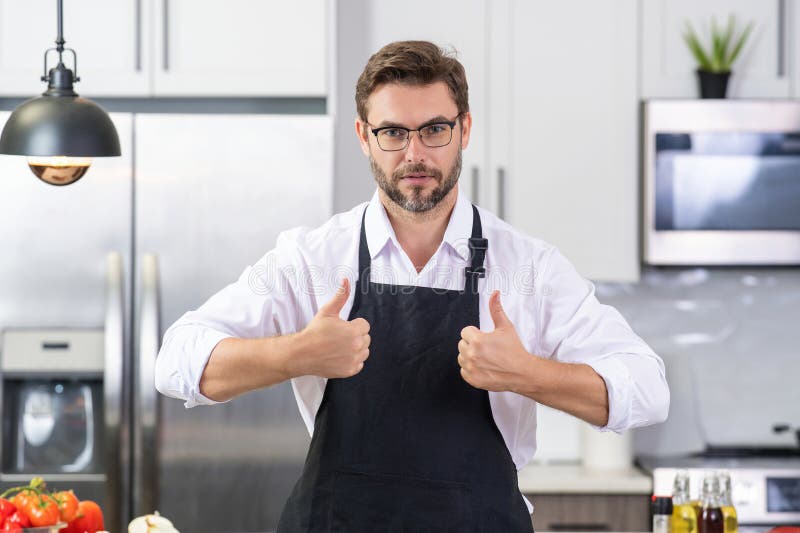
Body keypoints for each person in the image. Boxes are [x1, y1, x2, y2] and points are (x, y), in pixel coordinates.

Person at [155, 40, 669, 532]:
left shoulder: (530, 268)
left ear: (465, 129)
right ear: (364, 137)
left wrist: (526, 373)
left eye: (435, 130)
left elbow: (647, 389)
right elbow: (176, 360)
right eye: (394, 132)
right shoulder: (309, 259)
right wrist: (297, 354)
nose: (415, 154)